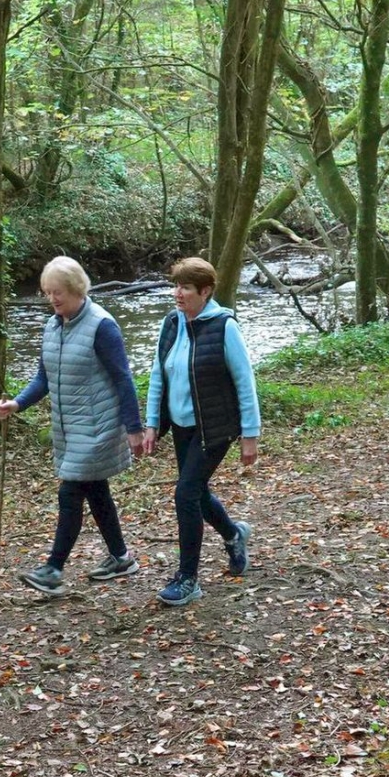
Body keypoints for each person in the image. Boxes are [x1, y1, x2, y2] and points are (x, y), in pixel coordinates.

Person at [0, 257, 145, 596]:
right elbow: (43, 379)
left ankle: (53, 569)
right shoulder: (53, 327)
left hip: (98, 427)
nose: (52, 299)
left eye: (58, 292)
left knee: (71, 492)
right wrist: (16, 403)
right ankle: (121, 558)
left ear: (77, 289)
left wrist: (134, 427)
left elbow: (123, 379)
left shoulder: (102, 326)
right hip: (69, 429)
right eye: (47, 292)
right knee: (96, 491)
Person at [140, 257, 261, 607]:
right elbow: (158, 375)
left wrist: (250, 435)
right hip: (181, 425)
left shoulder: (224, 327)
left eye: (186, 288)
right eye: (176, 286)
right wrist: (152, 423)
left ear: (205, 291)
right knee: (196, 491)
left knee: (186, 493)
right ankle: (233, 535)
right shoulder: (171, 323)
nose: (178, 294)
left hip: (215, 427)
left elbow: (244, 382)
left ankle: (188, 579)